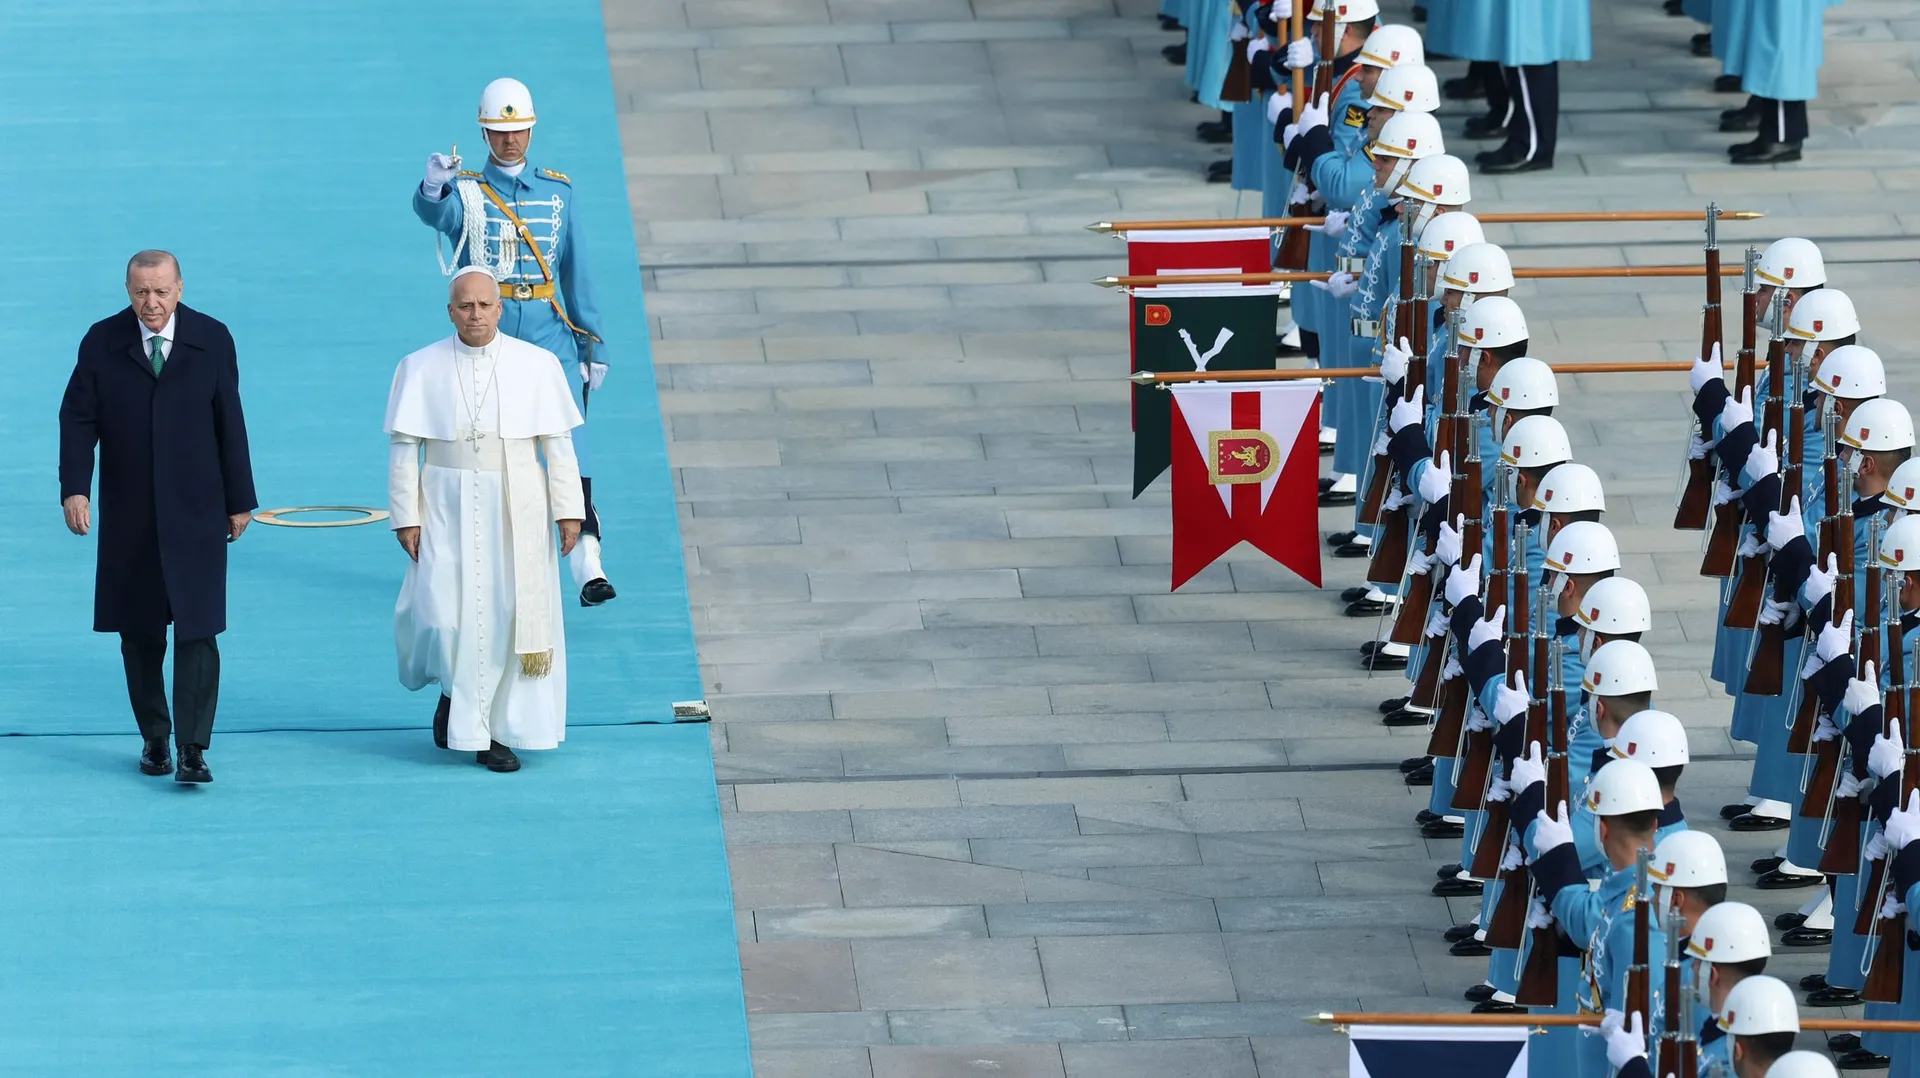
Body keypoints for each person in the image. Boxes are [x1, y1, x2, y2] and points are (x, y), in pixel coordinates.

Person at [414, 76, 617, 608]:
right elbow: (438, 217)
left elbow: (576, 272)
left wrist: (593, 343)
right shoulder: (468, 193)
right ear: (484, 133)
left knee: (570, 446)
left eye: (519, 130)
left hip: (550, 337)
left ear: (531, 130)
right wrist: (433, 187)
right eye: (500, 131)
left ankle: (588, 565)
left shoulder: (558, 191)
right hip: (490, 335)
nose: (510, 140)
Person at [58, 250, 257, 785]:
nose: (152, 303)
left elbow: (230, 420)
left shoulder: (212, 339)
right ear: (128, 291)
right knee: (140, 630)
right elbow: (78, 418)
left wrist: (240, 499)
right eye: (141, 292)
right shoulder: (102, 341)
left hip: (198, 508)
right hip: (131, 513)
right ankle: (154, 738)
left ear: (180, 289)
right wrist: (75, 489)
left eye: (162, 291)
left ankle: (193, 748)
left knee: (199, 628)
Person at [385, 267, 587, 773]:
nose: (474, 314)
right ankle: (452, 693)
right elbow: (405, 449)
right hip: (445, 502)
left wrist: (569, 512)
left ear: (499, 309)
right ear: (450, 312)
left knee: (504, 617)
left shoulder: (537, 365)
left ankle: (487, 731)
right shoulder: (418, 366)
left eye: (483, 305)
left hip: (517, 504)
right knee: (441, 616)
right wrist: (406, 516)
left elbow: (558, 446)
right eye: (464, 306)